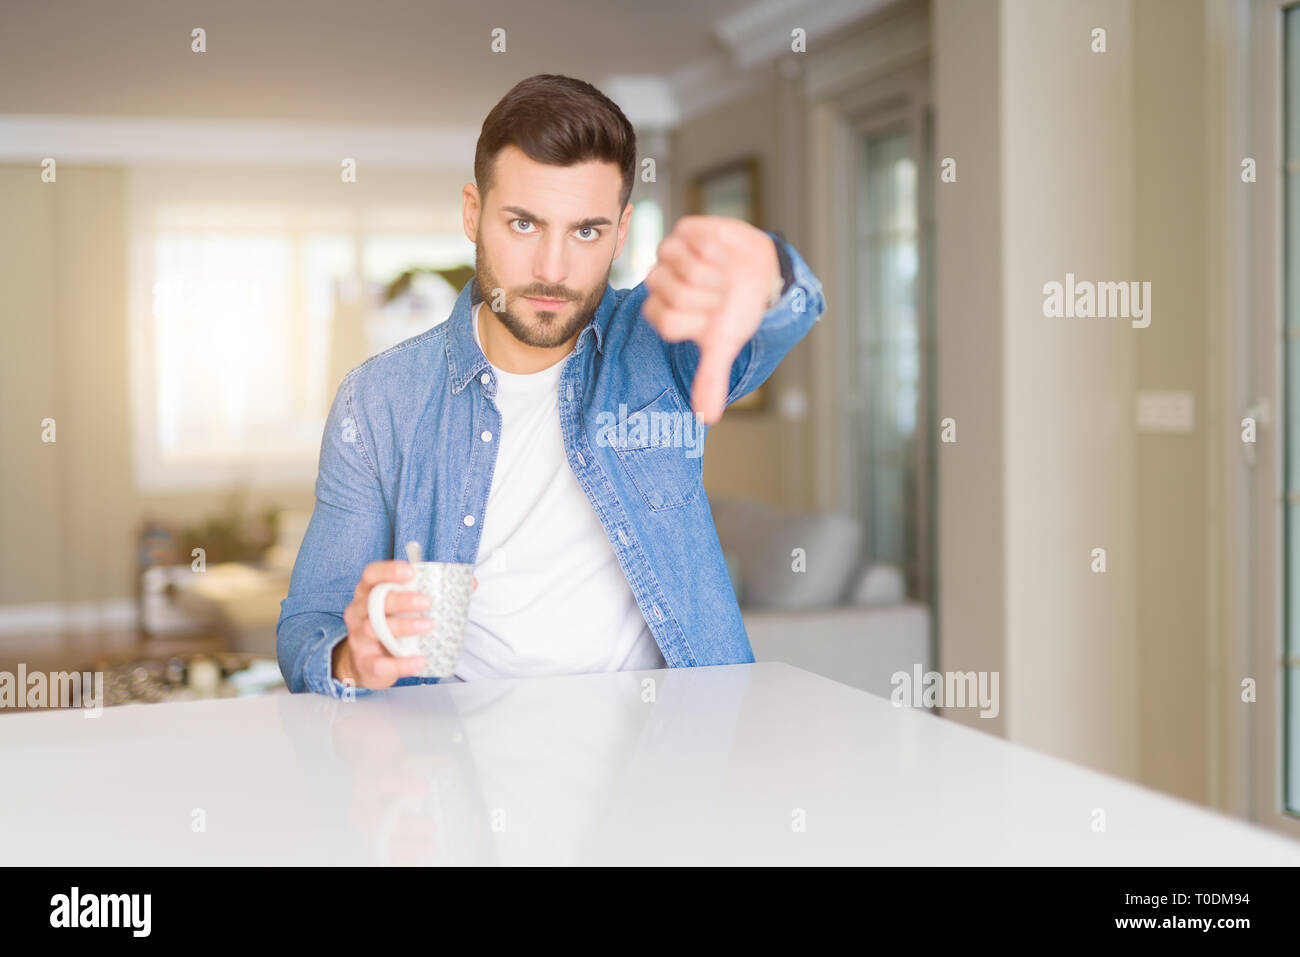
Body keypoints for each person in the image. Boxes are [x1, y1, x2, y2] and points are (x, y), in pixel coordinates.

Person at [277, 73, 825, 696]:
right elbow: (309, 624)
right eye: (523, 224)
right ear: (473, 213)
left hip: (669, 757)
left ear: (621, 233)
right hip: (454, 765)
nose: (553, 269)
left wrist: (773, 274)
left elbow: (776, 315)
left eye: (586, 231)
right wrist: (353, 658)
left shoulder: (660, 341)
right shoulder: (378, 400)